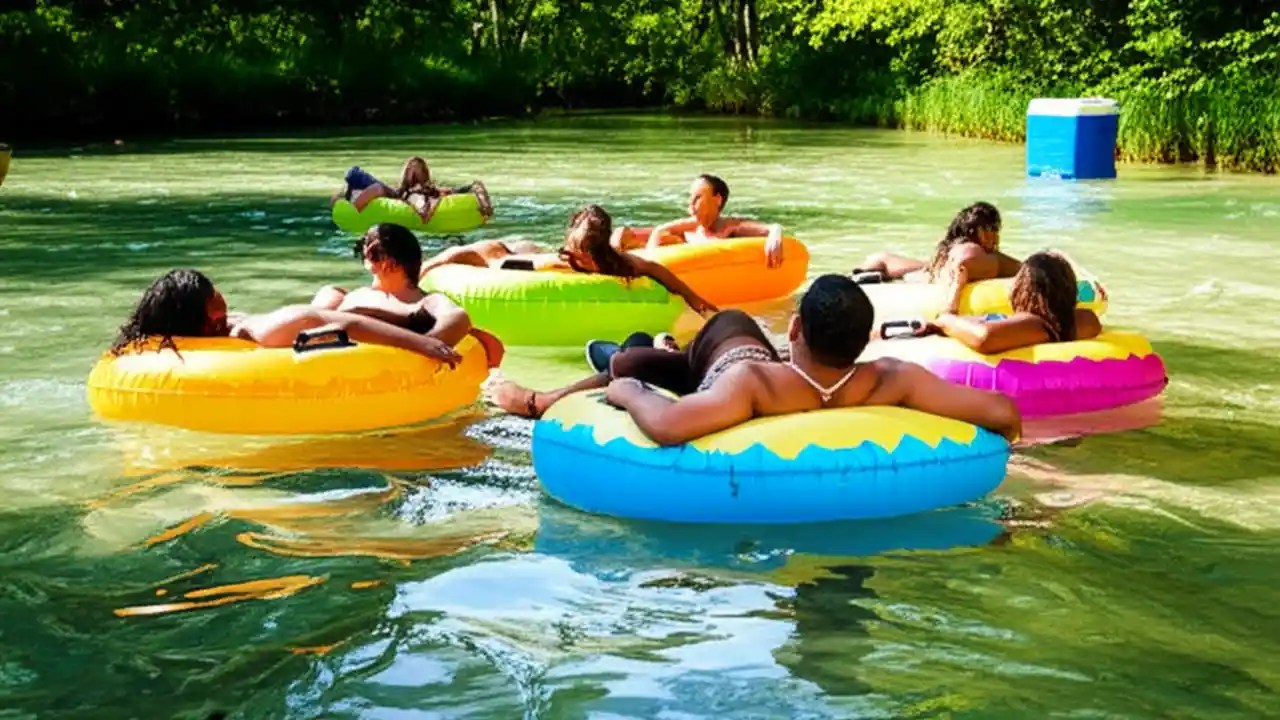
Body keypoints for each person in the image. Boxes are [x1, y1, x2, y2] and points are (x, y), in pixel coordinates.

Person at [488, 274, 1021, 444]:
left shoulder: (752, 384)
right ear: (863, 341)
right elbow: (1005, 415)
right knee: (714, 335)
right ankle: (656, 352)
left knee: (699, 338)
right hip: (760, 362)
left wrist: (626, 393)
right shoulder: (893, 378)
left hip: (723, 365)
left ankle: (548, 395)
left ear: (795, 330)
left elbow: (670, 425)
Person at [110, 269, 465, 366]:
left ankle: (423, 307)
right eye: (215, 304)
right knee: (332, 298)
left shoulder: (251, 330)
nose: (223, 301)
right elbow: (340, 323)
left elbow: (345, 323)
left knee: (336, 300)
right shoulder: (246, 332)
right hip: (326, 318)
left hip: (364, 319)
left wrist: (425, 343)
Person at [419, 204, 719, 316]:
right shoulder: (560, 262)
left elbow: (658, 271)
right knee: (472, 253)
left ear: (596, 250)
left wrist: (697, 301)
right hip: (516, 255)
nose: (578, 254)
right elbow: (505, 267)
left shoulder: (617, 263)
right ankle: (420, 271)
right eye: (575, 247)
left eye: (583, 250)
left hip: (531, 256)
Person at [311, 223, 505, 366]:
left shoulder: (425, 302)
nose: (365, 255)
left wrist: (423, 346)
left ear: (387, 263)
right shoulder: (339, 295)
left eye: (367, 249)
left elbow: (459, 318)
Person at [892, 251, 1101, 354]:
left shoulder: (1035, 324)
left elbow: (984, 338)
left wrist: (947, 317)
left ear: (1024, 291)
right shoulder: (1085, 320)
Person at [853, 202, 1020, 313]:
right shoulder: (972, 252)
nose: (996, 236)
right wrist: (952, 303)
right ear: (975, 231)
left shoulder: (947, 250)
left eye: (996, 229)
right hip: (929, 289)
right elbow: (965, 263)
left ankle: (868, 274)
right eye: (991, 228)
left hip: (921, 278)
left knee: (883, 259)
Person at [613, 174, 786, 268]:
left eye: (697, 198)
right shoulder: (688, 227)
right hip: (664, 265)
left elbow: (770, 228)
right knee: (622, 236)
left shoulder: (728, 227)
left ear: (717, 199)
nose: (691, 203)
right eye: (690, 197)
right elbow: (653, 231)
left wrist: (776, 233)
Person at [330, 156, 493, 222]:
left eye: (417, 169)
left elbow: (475, 185)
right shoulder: (400, 191)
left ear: (424, 174)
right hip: (394, 194)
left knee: (361, 178)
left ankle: (352, 201)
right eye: (409, 169)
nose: (413, 172)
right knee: (355, 175)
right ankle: (349, 198)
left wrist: (485, 205)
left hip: (394, 195)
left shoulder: (432, 191)